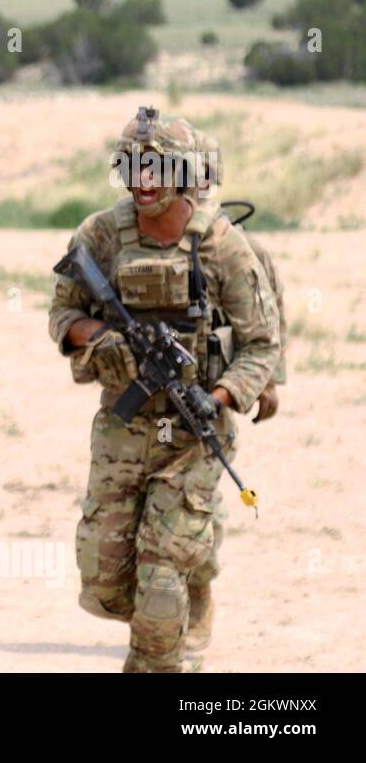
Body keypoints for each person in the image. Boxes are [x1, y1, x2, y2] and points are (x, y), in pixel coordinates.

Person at [49, 106, 280, 672]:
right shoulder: (101, 235)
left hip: (194, 436)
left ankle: (166, 637)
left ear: (184, 174)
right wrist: (105, 337)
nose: (143, 180)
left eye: (156, 168)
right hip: (122, 426)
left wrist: (219, 397)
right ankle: (184, 590)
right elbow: (63, 315)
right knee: (104, 583)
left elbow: (261, 345)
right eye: (132, 166)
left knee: (159, 580)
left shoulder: (221, 245)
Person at [181, 130, 288, 653]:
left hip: (215, 394)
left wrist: (269, 381)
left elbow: (267, 322)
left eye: (202, 173)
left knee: (199, 502)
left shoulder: (237, 245)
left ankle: (199, 596)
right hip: (156, 398)